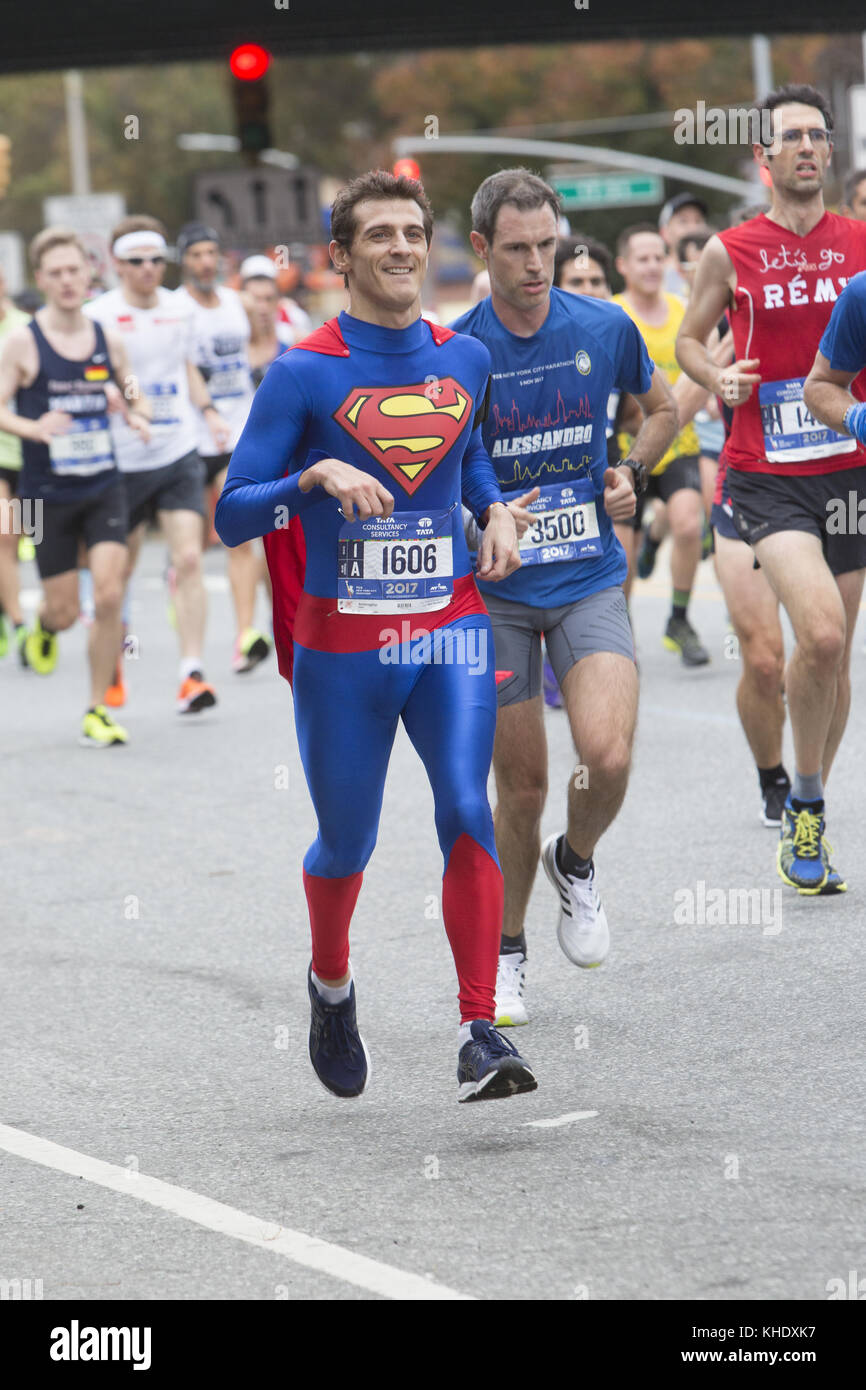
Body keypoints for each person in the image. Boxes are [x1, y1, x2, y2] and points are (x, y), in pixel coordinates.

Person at [216, 170, 537, 1103]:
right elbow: (234, 510)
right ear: (341, 257)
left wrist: (495, 513)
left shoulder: (463, 359)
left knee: (467, 811)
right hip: (343, 649)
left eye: (413, 232)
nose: (401, 248)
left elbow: (467, 449)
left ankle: (480, 1031)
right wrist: (308, 476)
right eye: (380, 234)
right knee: (346, 840)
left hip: (449, 627)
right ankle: (330, 982)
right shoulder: (302, 371)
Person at [451, 169, 677, 1028]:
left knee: (608, 757)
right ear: (481, 249)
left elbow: (657, 411)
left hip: (587, 573)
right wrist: (482, 518)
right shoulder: (458, 349)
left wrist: (630, 472)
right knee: (522, 783)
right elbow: (432, 471)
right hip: (498, 592)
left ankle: (574, 862)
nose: (538, 264)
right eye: (517, 249)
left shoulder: (605, 325)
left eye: (547, 245)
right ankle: (507, 952)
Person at [677, 83, 866, 894]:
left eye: (817, 137)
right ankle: (789, 788)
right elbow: (688, 340)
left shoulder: (859, 244)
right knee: (811, 639)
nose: (806, 149)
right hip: (765, 472)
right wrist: (718, 374)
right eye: (790, 138)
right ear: (764, 157)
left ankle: (811, 800)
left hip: (849, 469)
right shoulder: (731, 249)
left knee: (836, 656)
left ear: (829, 152)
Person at [0, 226, 149, 745]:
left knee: (109, 593)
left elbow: (134, 389)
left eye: (74, 270)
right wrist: (33, 428)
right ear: (40, 279)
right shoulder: (23, 342)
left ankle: (95, 707)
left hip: (103, 485)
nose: (66, 280)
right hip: (42, 495)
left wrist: (135, 413)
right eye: (56, 273)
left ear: (89, 274)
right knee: (64, 610)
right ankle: (43, 627)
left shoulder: (107, 338)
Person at [85, 215, 225, 712]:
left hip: (176, 450)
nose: (147, 269)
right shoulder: (98, 313)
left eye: (154, 260)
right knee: (115, 574)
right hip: (120, 460)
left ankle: (192, 673)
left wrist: (208, 412)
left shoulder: (179, 309)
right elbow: (95, 373)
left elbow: (187, 367)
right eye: (136, 262)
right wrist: (125, 400)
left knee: (188, 558)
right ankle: (113, 660)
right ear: (117, 265)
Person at [175, 224, 271, 674]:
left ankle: (245, 634)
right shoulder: (175, 308)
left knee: (240, 534)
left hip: (236, 432)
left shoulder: (237, 302)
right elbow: (182, 365)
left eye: (212, 253)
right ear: (184, 261)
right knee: (189, 548)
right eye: (196, 254)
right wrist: (207, 408)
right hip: (187, 437)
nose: (206, 262)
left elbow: (256, 344)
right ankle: (179, 583)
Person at [613, 224, 711, 664]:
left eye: (659, 258)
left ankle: (679, 618)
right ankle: (621, 633)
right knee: (625, 558)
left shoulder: (683, 312)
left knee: (690, 524)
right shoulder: (613, 316)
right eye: (642, 258)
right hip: (627, 449)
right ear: (623, 266)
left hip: (679, 441)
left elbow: (702, 366)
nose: (652, 266)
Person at [0, 264, 30, 663]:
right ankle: (21, 622)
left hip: (32, 448)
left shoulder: (28, 327)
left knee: (25, 533)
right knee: (5, 535)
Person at [659, 192, 709, 296]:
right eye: (683, 221)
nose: (693, 228)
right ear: (665, 233)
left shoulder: (717, 273)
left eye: (698, 221)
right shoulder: (656, 276)